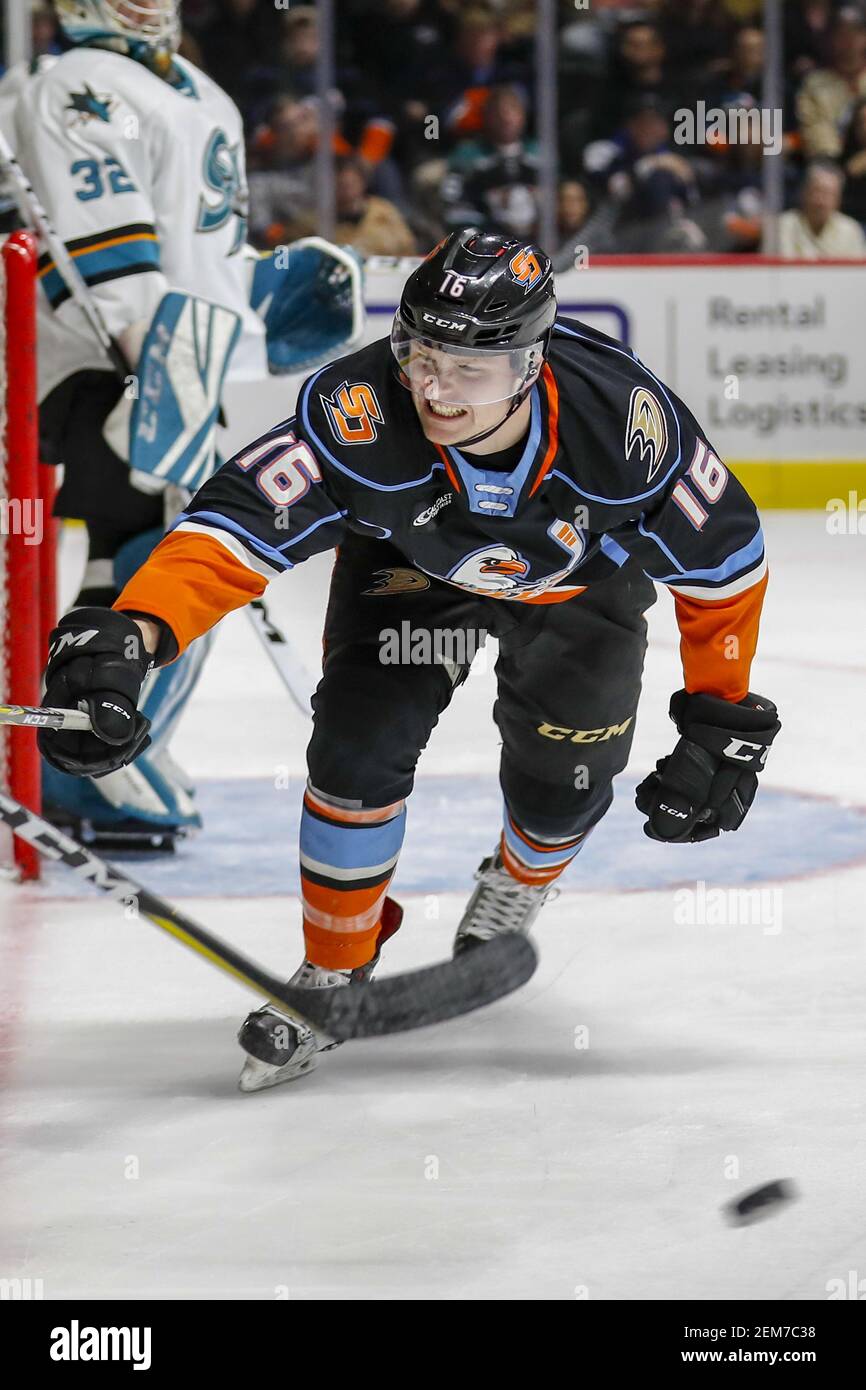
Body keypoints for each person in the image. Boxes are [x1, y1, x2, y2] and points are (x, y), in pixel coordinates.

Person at [38, 229, 780, 1092]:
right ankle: (335, 967)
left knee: (564, 784)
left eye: (468, 368)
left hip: (579, 586)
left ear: (530, 364)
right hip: (409, 567)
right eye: (422, 354)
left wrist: (722, 711)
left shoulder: (622, 426)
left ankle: (518, 879)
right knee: (355, 751)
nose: (433, 387)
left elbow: (727, 563)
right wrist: (138, 632)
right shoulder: (360, 408)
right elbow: (235, 526)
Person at [12, 0, 361, 848]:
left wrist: (263, 300)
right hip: (105, 362)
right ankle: (85, 757)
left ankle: (84, 741)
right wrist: (150, 354)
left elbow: (204, 251)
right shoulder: (74, 85)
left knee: (146, 538)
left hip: (181, 357)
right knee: (165, 540)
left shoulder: (202, 90)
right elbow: (101, 248)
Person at [778, 159, 866, 257]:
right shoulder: (783, 225)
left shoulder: (851, 230)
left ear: (838, 200)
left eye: (828, 194)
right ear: (804, 193)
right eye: (817, 191)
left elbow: (857, 271)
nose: (821, 201)